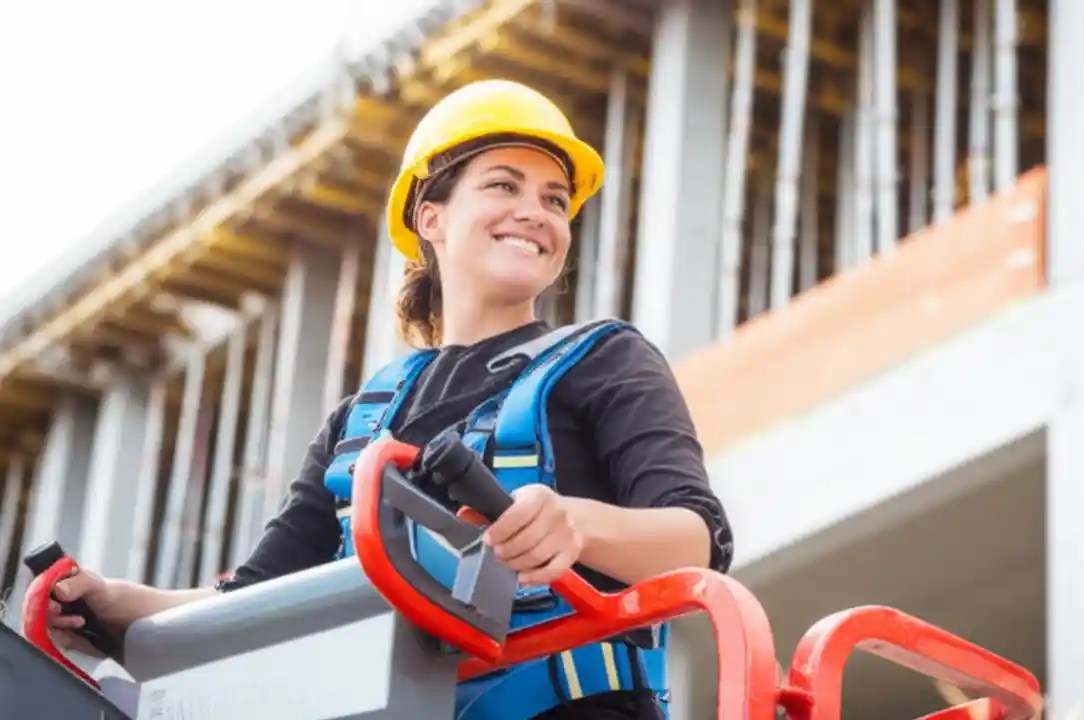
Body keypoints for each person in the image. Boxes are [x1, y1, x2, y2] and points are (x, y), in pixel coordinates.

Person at [29, 79, 734, 719]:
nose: (536, 213)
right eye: (504, 186)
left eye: (555, 200)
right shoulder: (365, 418)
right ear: (431, 218)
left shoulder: (605, 360)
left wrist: (577, 525)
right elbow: (255, 596)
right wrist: (127, 608)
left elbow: (698, 541)